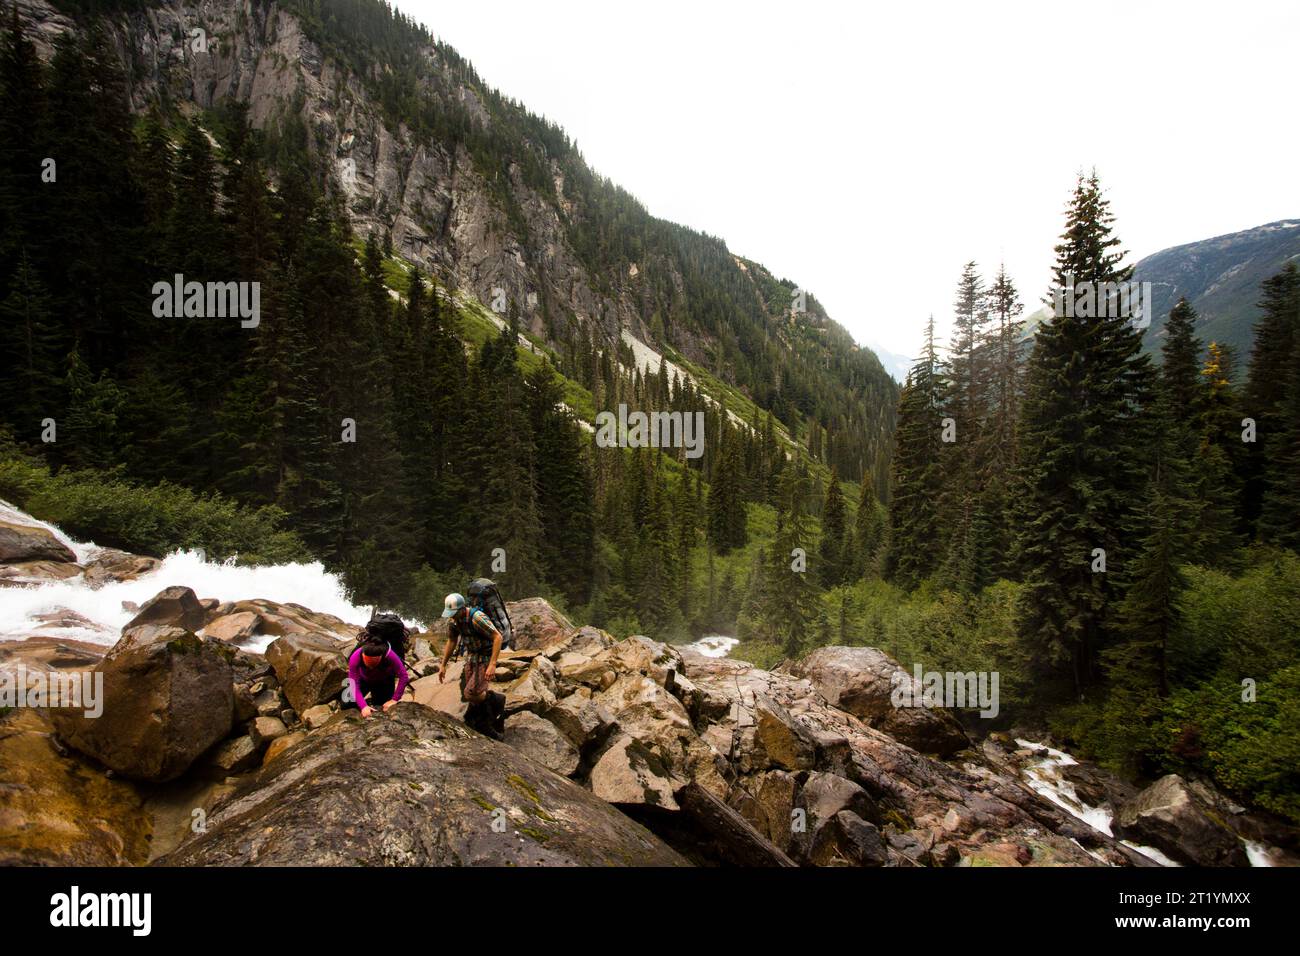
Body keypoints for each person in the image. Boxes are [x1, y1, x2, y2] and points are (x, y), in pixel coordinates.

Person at [438, 592, 505, 739]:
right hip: (472, 656)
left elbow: (497, 637)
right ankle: (495, 703)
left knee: (470, 693)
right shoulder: (453, 622)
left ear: (463, 609)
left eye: (454, 613)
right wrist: (443, 665)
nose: (452, 616)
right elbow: (451, 641)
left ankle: (485, 723)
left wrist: (492, 664)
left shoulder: (477, 618)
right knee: (474, 693)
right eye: (451, 614)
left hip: (486, 655)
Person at [344, 638, 410, 718]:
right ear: (363, 655)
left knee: (382, 709)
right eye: (368, 664)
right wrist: (363, 706)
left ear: (382, 656)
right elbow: (353, 684)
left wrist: (394, 699)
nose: (371, 668)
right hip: (364, 680)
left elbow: (404, 676)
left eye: (374, 664)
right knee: (346, 704)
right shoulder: (355, 656)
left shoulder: (390, 655)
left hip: (384, 682)